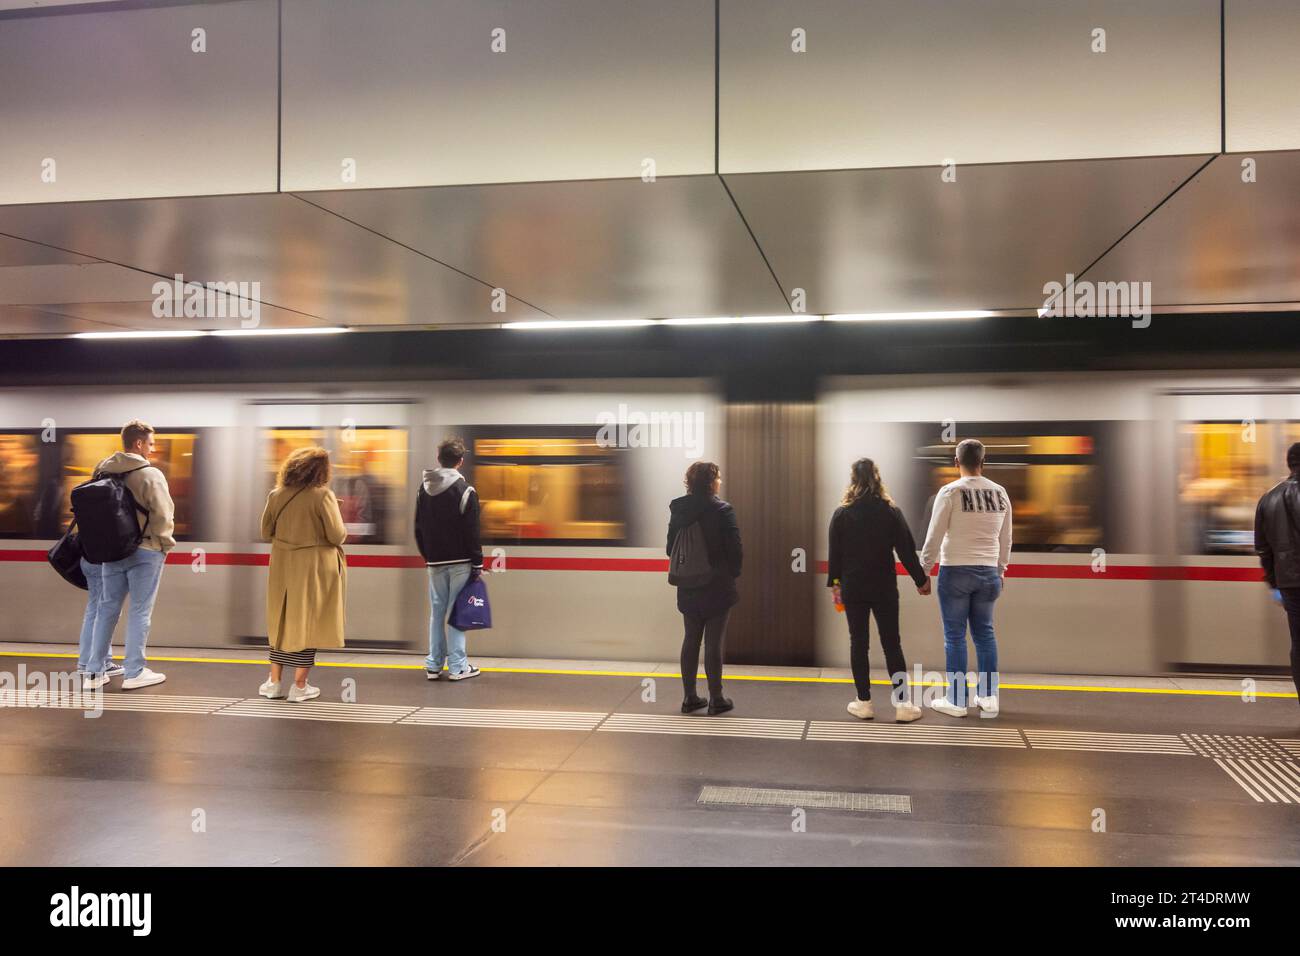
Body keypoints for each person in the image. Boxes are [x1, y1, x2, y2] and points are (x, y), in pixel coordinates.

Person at [827, 458, 928, 722]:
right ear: (877, 478)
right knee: (892, 644)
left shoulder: (842, 513)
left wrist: (836, 591)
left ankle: (864, 702)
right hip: (884, 587)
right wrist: (921, 580)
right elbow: (906, 549)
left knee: (858, 643)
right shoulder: (890, 511)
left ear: (853, 479)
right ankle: (903, 705)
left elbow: (834, 558)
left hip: (853, 587)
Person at [919, 439, 1012, 717]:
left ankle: (957, 701)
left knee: (955, 637)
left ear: (956, 462)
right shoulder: (1000, 493)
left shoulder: (949, 492)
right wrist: (1001, 569)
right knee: (985, 634)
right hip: (988, 573)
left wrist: (924, 571)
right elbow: (1006, 538)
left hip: (956, 571)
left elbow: (933, 536)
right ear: (983, 463)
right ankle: (989, 697)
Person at [83, 420, 175, 691]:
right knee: (139, 611)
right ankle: (135, 671)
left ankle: (94, 671)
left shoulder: (102, 470)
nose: (152, 449)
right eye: (151, 443)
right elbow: (163, 515)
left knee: (106, 609)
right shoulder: (150, 474)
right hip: (146, 551)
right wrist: (164, 545)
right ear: (138, 443)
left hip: (110, 550)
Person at [259, 446, 348, 702]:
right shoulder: (322, 496)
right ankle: (299, 686)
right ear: (320, 471)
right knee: (308, 623)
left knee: (282, 622)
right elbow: (337, 535)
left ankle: (274, 683)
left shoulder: (276, 495)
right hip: (314, 567)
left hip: (282, 565)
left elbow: (266, 532)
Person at [667, 461, 742, 715]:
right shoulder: (722, 510)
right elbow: (735, 550)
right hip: (717, 585)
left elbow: (670, 549)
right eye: (718, 478)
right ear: (711, 482)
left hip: (688, 585)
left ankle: (689, 698)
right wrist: (732, 573)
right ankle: (716, 698)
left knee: (690, 638)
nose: (720, 481)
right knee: (713, 642)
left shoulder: (678, 509)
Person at [415, 437, 483, 681]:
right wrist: (477, 563)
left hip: (435, 562)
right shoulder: (466, 491)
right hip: (461, 563)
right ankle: (457, 666)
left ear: (438, 460)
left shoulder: (423, 490)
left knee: (437, 613)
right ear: (460, 462)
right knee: (457, 614)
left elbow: (418, 528)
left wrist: (429, 556)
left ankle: (433, 665)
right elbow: (472, 532)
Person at [1254, 441, 1300, 708]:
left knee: (1299, 643)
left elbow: (1263, 549)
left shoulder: (1268, 498)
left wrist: (1275, 584)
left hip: (1290, 584)